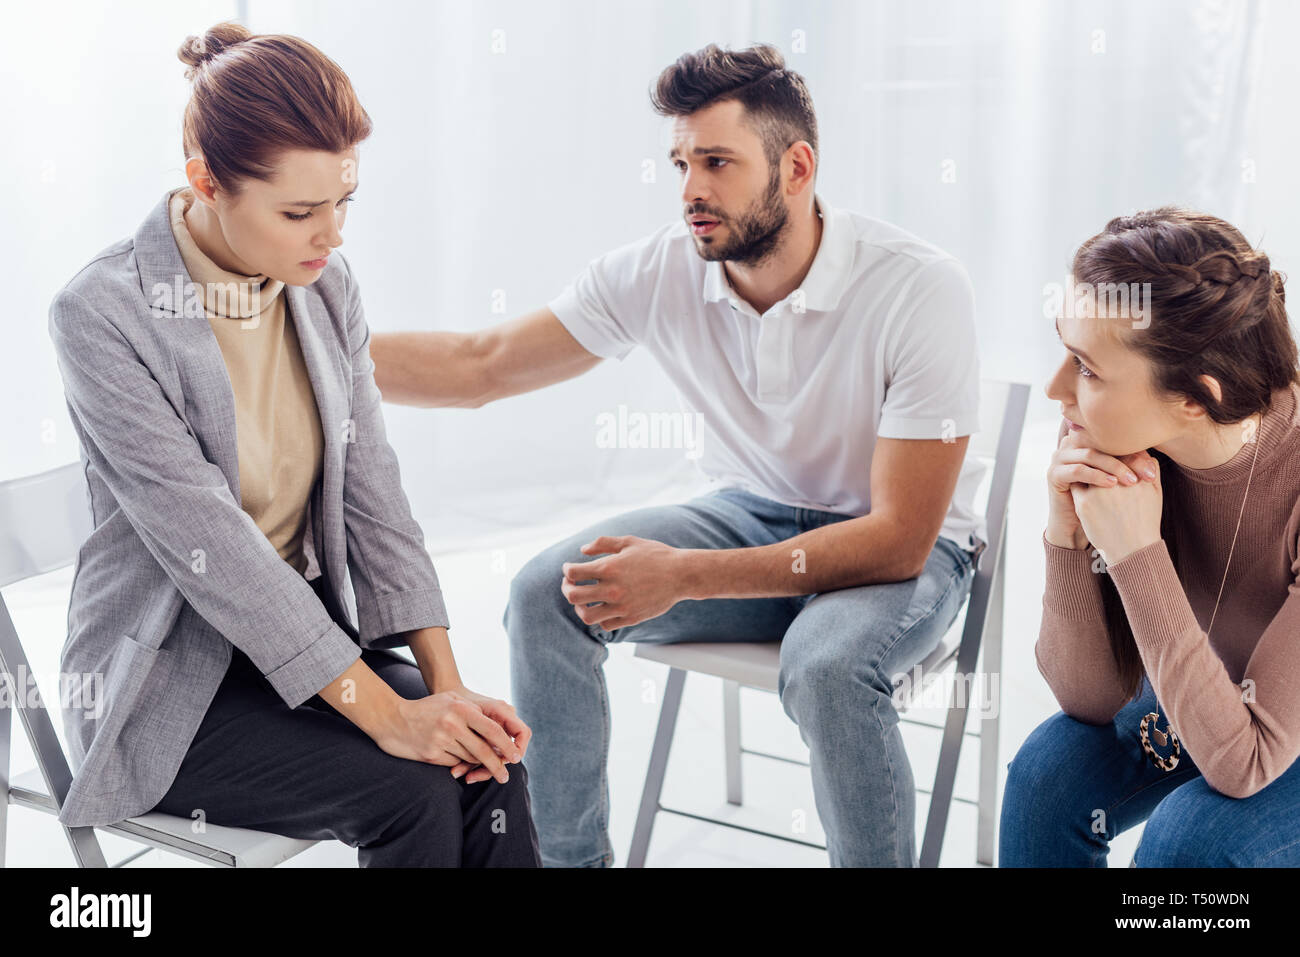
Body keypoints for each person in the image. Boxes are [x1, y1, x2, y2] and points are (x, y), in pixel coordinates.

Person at [369, 42, 986, 867]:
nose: (692, 189)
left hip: (901, 549)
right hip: (750, 507)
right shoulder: (660, 269)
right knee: (547, 595)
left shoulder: (917, 286)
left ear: (796, 167)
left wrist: (686, 575)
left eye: (719, 162)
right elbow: (481, 364)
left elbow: (899, 536)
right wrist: (315, 347)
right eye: (682, 162)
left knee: (827, 668)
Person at [46, 21, 540, 867]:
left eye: (344, 203)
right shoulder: (103, 313)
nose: (333, 235)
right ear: (205, 181)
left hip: (312, 650)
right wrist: (392, 717)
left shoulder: (325, 287)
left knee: (486, 762)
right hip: (174, 692)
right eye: (301, 212)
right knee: (414, 788)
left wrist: (447, 693)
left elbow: (375, 498)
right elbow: (214, 546)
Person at [1000, 207, 1300, 867]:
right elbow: (1092, 697)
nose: (1056, 390)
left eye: (1086, 366)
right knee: (1045, 780)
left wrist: (1138, 552)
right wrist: (1066, 529)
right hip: (1213, 695)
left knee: (1192, 839)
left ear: (1195, 397)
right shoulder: (1119, 437)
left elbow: (1248, 760)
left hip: (1280, 735)